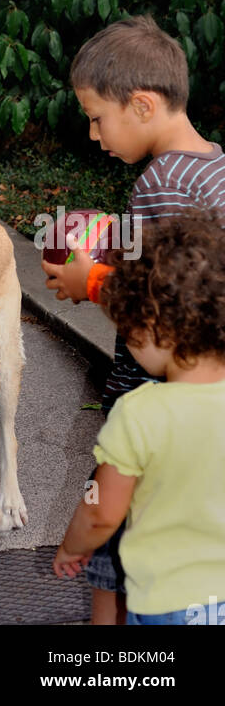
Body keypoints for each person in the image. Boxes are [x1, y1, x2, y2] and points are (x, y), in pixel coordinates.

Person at [41, 15, 225, 623]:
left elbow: (155, 296)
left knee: (113, 532)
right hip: (205, 391)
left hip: (151, 388)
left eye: (97, 117)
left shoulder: (159, 183)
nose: (94, 134)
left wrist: (86, 279)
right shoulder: (216, 166)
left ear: (143, 105)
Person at [53, 211, 225, 625]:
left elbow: (101, 511)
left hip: (167, 602)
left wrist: (74, 546)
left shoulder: (141, 412)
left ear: (152, 327)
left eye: (128, 328)